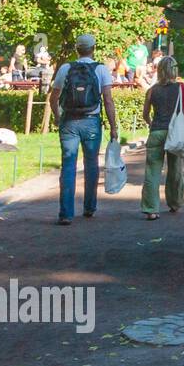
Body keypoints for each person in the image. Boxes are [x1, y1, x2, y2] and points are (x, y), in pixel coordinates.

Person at [47, 34, 119, 225]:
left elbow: (53, 98)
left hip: (69, 122)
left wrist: (57, 117)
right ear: (93, 48)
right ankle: (89, 207)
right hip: (91, 122)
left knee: (68, 165)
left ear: (77, 49)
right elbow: (108, 101)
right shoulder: (101, 69)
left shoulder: (65, 68)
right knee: (91, 164)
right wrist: (113, 127)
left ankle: (66, 213)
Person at [140, 55, 184, 221]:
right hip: (175, 133)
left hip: (156, 132)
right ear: (174, 70)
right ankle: (175, 203)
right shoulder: (181, 88)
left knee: (152, 171)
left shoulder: (152, 90)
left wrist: (152, 124)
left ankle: (151, 209)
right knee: (175, 170)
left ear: (159, 70)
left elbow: (145, 114)